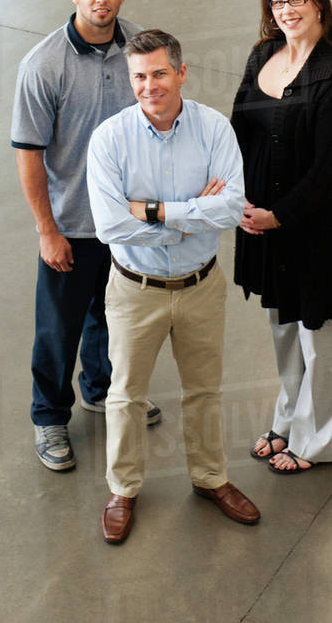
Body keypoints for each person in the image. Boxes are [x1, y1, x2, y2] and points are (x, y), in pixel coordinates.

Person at [86, 28, 261, 542]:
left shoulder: (214, 129)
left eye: (160, 74)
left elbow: (231, 207)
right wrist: (193, 213)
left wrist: (157, 210)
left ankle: (210, 479)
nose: (149, 86)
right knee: (125, 396)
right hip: (134, 289)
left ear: (181, 73)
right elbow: (110, 226)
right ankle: (123, 488)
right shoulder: (109, 139)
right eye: (139, 76)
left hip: (201, 287)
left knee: (204, 390)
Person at [11, 0, 161, 473]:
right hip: (71, 224)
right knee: (58, 328)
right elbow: (30, 154)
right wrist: (47, 230)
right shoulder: (43, 66)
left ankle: (99, 388)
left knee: (113, 314)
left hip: (124, 221)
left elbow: (158, 122)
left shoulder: (143, 50)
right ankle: (49, 415)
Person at [231, 0, 332, 474]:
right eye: (277, 2)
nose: (286, 10)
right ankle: (289, 419)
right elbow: (238, 128)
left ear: (318, 4)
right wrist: (234, 196)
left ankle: (322, 441)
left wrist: (278, 215)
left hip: (315, 232)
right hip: (264, 224)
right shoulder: (263, 54)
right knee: (285, 328)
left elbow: (330, 171)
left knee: (321, 336)